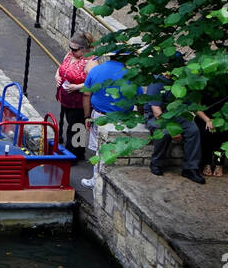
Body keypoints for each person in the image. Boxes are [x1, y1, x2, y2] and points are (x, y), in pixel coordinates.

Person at [145, 63, 207, 184]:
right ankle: (156, 163)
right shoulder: (156, 82)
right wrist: (174, 130)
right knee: (164, 132)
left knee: (193, 130)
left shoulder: (180, 81)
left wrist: (207, 119)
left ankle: (190, 168)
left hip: (176, 113)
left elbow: (190, 104)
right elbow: (157, 113)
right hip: (156, 115)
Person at [80, 48, 133, 188]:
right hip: (123, 117)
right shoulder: (131, 75)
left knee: (98, 148)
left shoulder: (96, 71)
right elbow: (137, 98)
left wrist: (86, 116)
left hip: (99, 115)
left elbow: (86, 95)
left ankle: (95, 180)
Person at [55, 32, 96, 160]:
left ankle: (75, 154)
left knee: (77, 127)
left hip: (79, 101)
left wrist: (77, 87)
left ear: (84, 49)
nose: (71, 51)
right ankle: (74, 151)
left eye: (74, 49)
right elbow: (61, 67)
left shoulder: (91, 62)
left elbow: (94, 82)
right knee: (71, 124)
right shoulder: (71, 55)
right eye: (70, 48)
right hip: (66, 97)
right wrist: (57, 76)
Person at [197, 71, 228, 177]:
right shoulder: (200, 82)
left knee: (224, 131)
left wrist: (225, 118)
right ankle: (206, 163)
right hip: (204, 117)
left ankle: (219, 164)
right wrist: (207, 120)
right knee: (206, 132)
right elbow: (196, 108)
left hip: (223, 116)